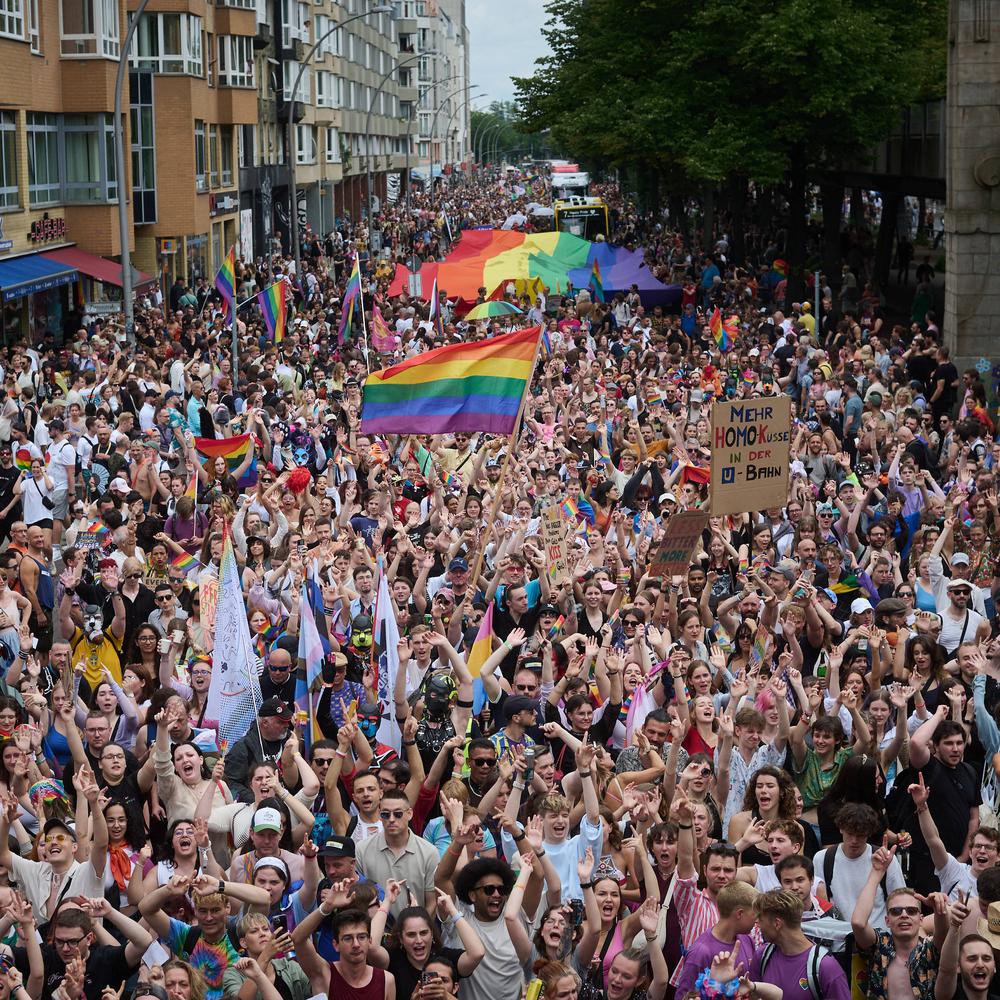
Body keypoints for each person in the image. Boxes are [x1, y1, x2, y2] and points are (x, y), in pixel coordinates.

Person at [749, 889, 851, 1000]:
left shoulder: (825, 966)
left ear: (777, 924)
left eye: (761, 919)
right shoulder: (762, 956)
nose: (757, 924)